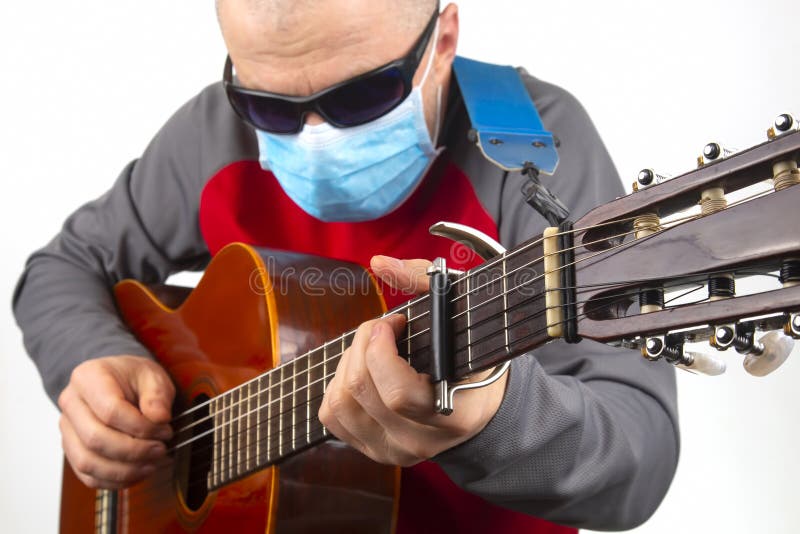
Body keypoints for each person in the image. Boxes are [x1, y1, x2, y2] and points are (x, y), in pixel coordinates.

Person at [12, 0, 679, 532]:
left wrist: (491, 418)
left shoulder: (536, 147)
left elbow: (636, 461)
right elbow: (64, 267)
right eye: (270, 107)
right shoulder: (212, 133)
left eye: (361, 98)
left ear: (442, 39)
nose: (313, 135)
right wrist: (90, 358)